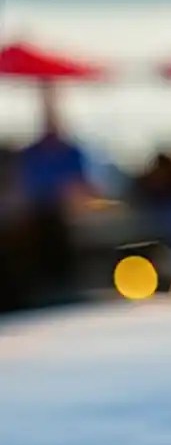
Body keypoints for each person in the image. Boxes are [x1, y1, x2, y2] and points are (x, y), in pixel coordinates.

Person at [16, 85, 94, 298]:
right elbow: (25, 189)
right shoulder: (31, 153)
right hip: (40, 223)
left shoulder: (72, 152)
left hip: (67, 222)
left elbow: (82, 188)